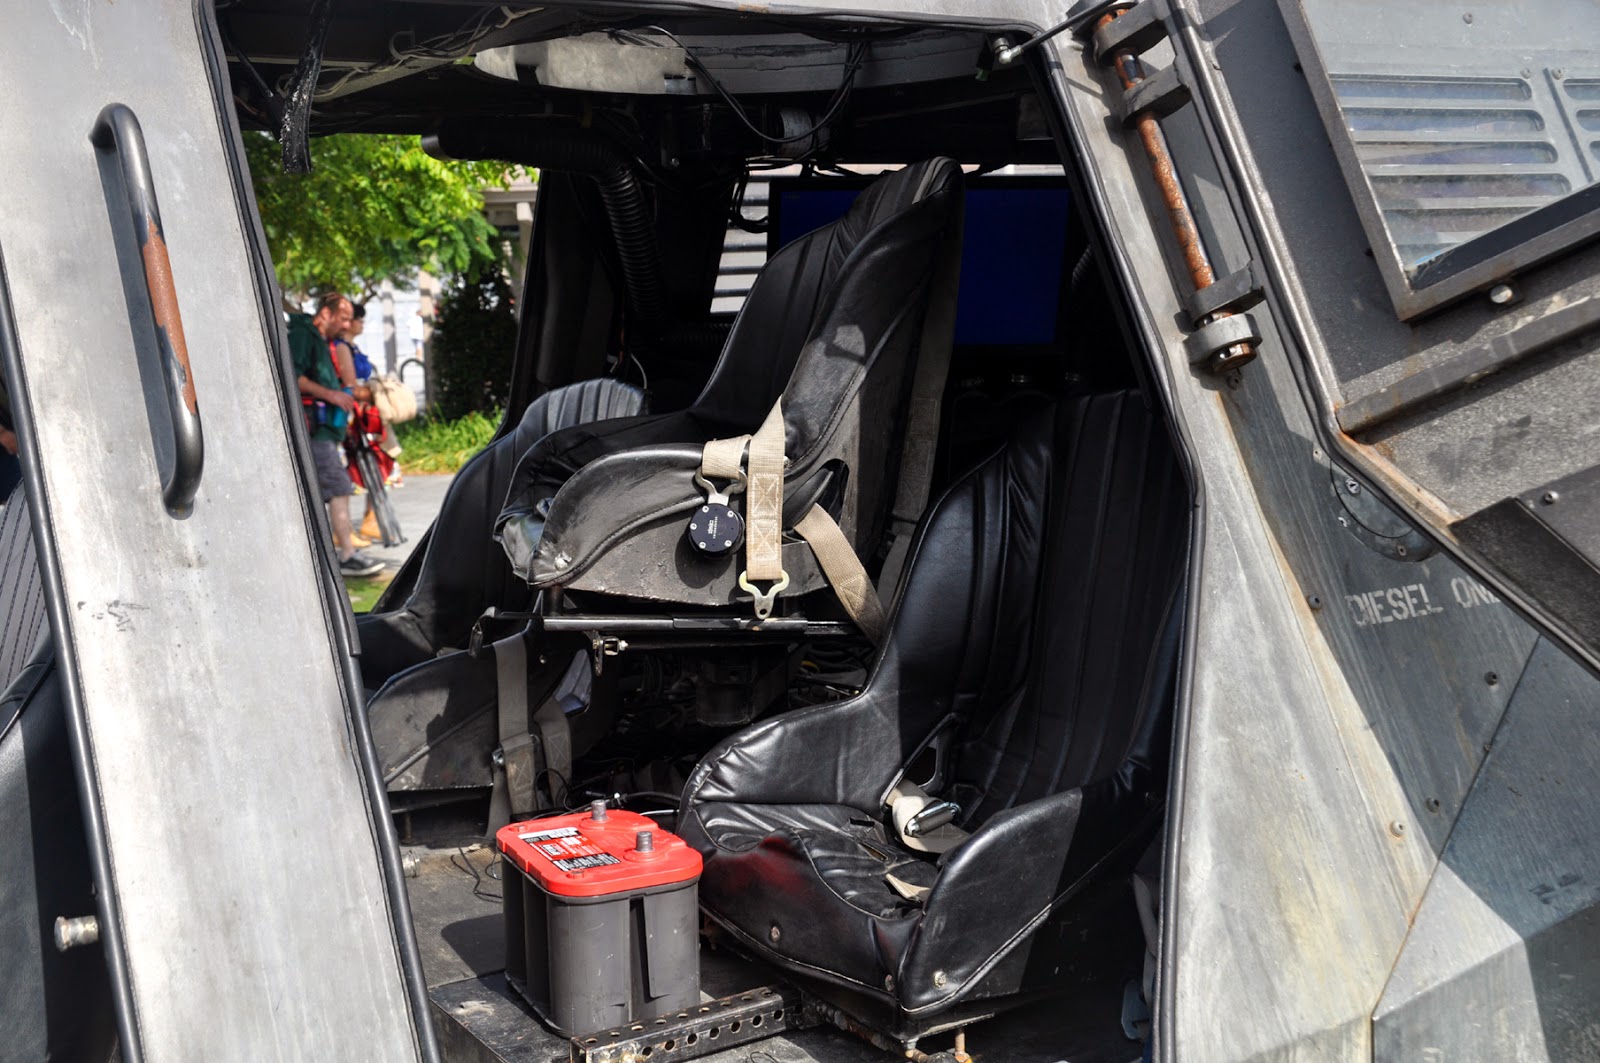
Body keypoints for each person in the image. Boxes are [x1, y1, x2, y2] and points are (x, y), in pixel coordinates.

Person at [288, 292, 383, 578]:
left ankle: (333, 552)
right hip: (314, 428)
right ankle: (347, 555)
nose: (345, 325)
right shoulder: (304, 335)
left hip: (325, 428)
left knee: (323, 489)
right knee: (339, 486)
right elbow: (294, 375)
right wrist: (331, 394)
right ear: (326, 314)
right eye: (342, 318)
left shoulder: (321, 338)